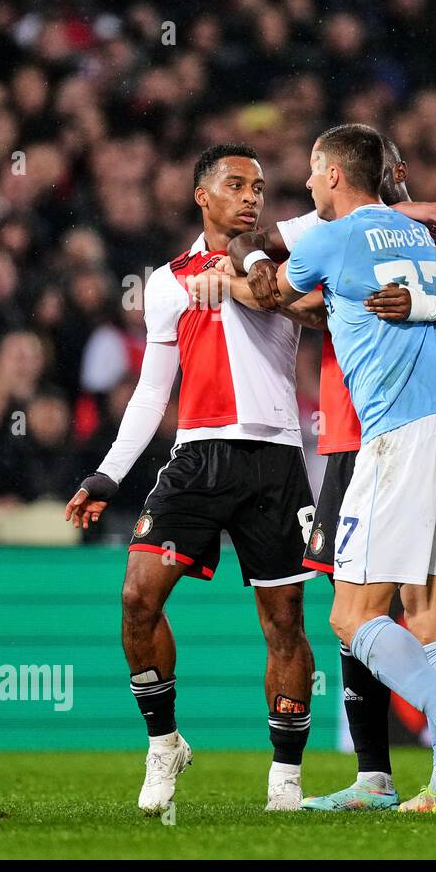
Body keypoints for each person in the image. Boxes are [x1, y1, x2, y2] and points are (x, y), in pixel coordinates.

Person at [227, 134, 436, 812]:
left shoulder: (333, 233)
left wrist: (232, 277)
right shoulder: (414, 232)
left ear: (333, 176)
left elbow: (264, 293)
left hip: (396, 437)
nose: (310, 185)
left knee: (352, 618)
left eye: (315, 172)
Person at [64, 144, 319, 813]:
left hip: (275, 456)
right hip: (199, 456)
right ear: (201, 195)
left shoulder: (280, 268)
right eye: (236, 184)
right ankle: (164, 744)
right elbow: (153, 390)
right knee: (136, 598)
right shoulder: (169, 281)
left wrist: (237, 279)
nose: (252, 197)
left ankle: (286, 784)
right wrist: (107, 475)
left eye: (260, 187)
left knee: (284, 623)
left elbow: (314, 312)